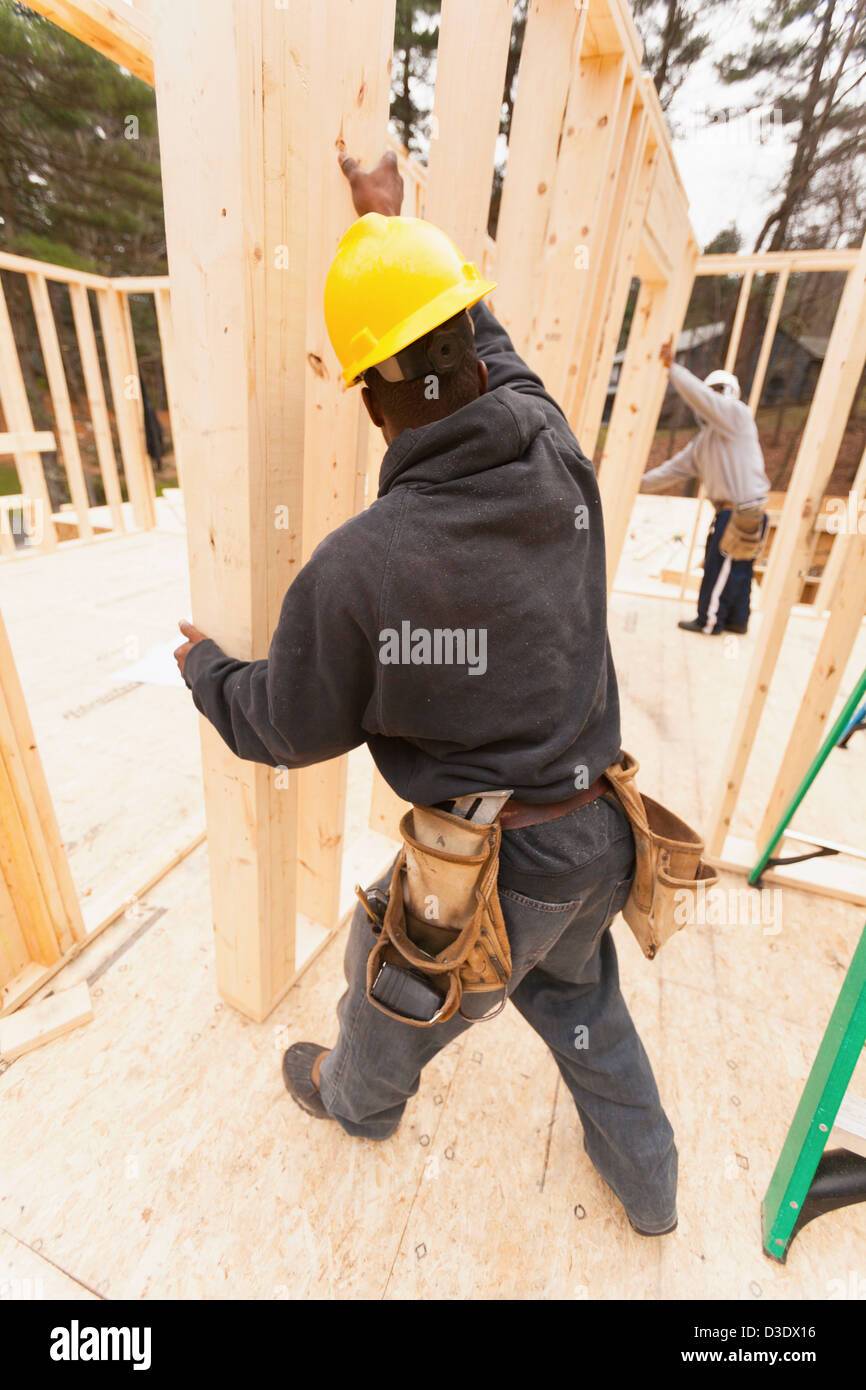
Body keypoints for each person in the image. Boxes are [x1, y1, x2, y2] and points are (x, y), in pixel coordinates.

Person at [173, 151, 677, 1237]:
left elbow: (280, 722)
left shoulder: (363, 569)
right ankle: (652, 1188)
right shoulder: (550, 444)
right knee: (581, 1004)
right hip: (602, 834)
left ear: (366, 399)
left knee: (385, 979)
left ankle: (354, 1101)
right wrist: (396, 231)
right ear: (471, 345)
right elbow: (483, 348)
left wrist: (203, 669)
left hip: (504, 869)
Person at [640, 342, 770, 635]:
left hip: (740, 511)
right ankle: (737, 621)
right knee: (738, 570)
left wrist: (672, 368)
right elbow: (671, 470)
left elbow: (704, 399)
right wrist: (634, 484)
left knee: (720, 570)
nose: (714, 399)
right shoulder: (703, 443)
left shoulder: (738, 417)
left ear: (731, 395)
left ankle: (709, 622)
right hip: (740, 511)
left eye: (719, 393)